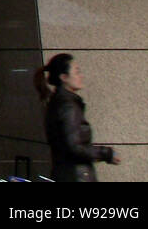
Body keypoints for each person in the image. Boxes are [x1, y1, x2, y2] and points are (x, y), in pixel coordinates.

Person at [35, 53, 119, 182]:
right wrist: (106, 153)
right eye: (77, 72)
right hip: (76, 176)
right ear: (64, 77)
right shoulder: (68, 106)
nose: (81, 76)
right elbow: (75, 147)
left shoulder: (57, 103)